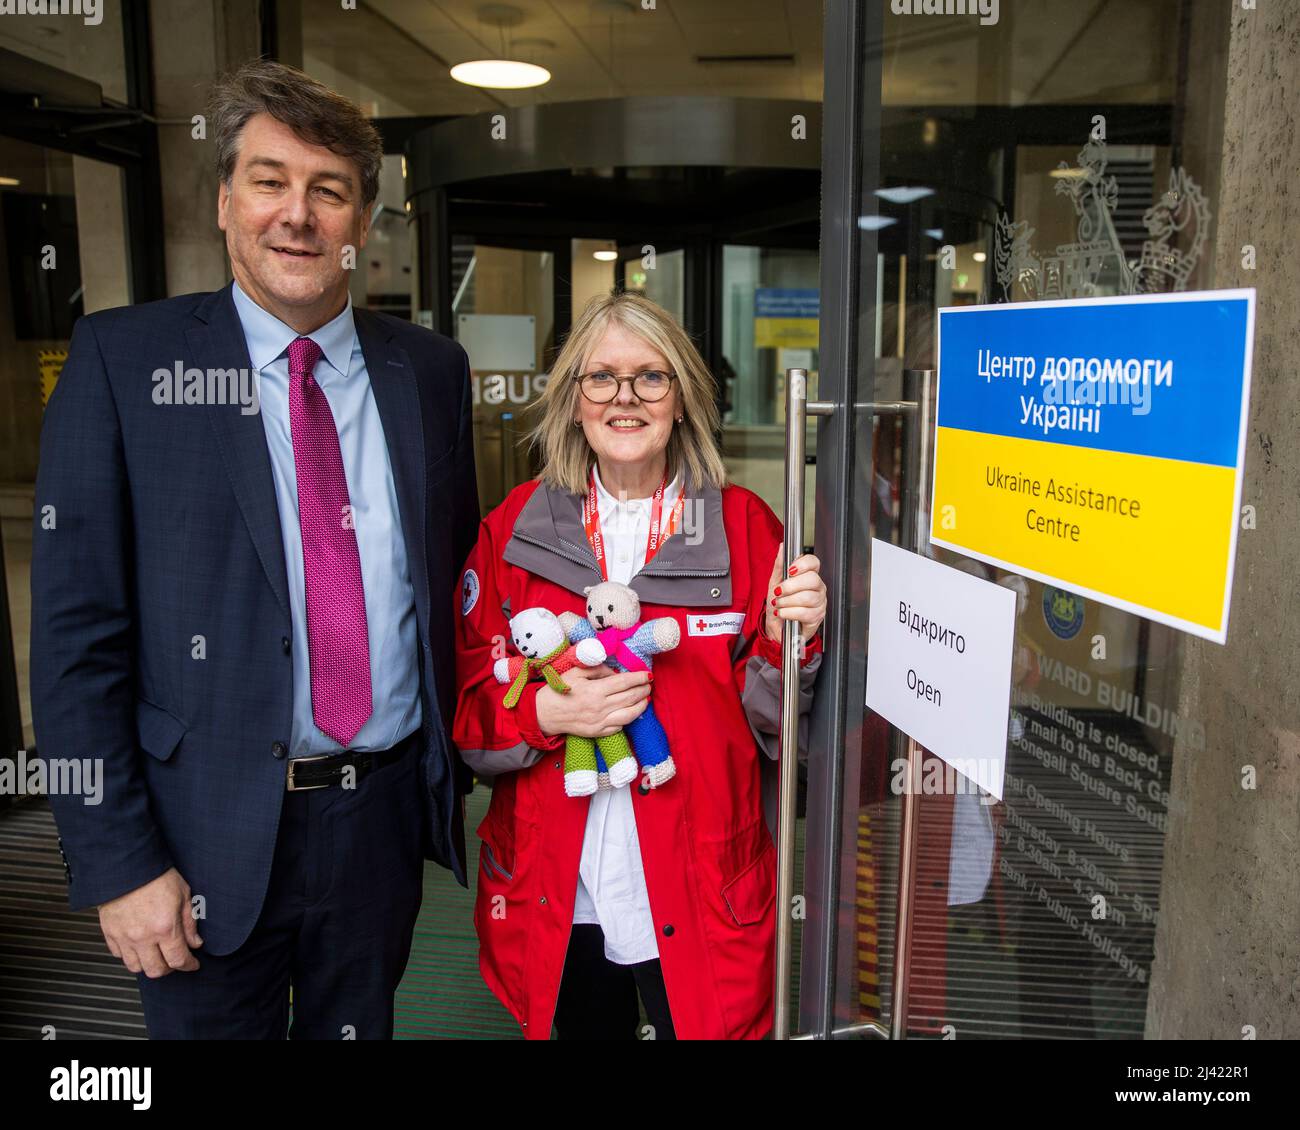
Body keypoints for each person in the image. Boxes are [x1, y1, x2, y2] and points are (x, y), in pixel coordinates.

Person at [29, 60, 478, 1038]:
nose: (298, 214)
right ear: (226, 201)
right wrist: (117, 860)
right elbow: (74, 641)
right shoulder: (123, 361)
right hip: (194, 834)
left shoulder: (430, 372)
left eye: (330, 191)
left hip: (378, 819)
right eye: (270, 181)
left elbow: (458, 581)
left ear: (363, 223)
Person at [454, 292, 826, 1039]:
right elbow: (467, 721)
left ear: (682, 400)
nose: (625, 399)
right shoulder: (514, 530)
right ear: (574, 400)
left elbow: (778, 726)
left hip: (699, 886)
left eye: (651, 378)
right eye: (602, 379)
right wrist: (545, 714)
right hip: (561, 890)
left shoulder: (746, 527)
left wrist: (800, 638)